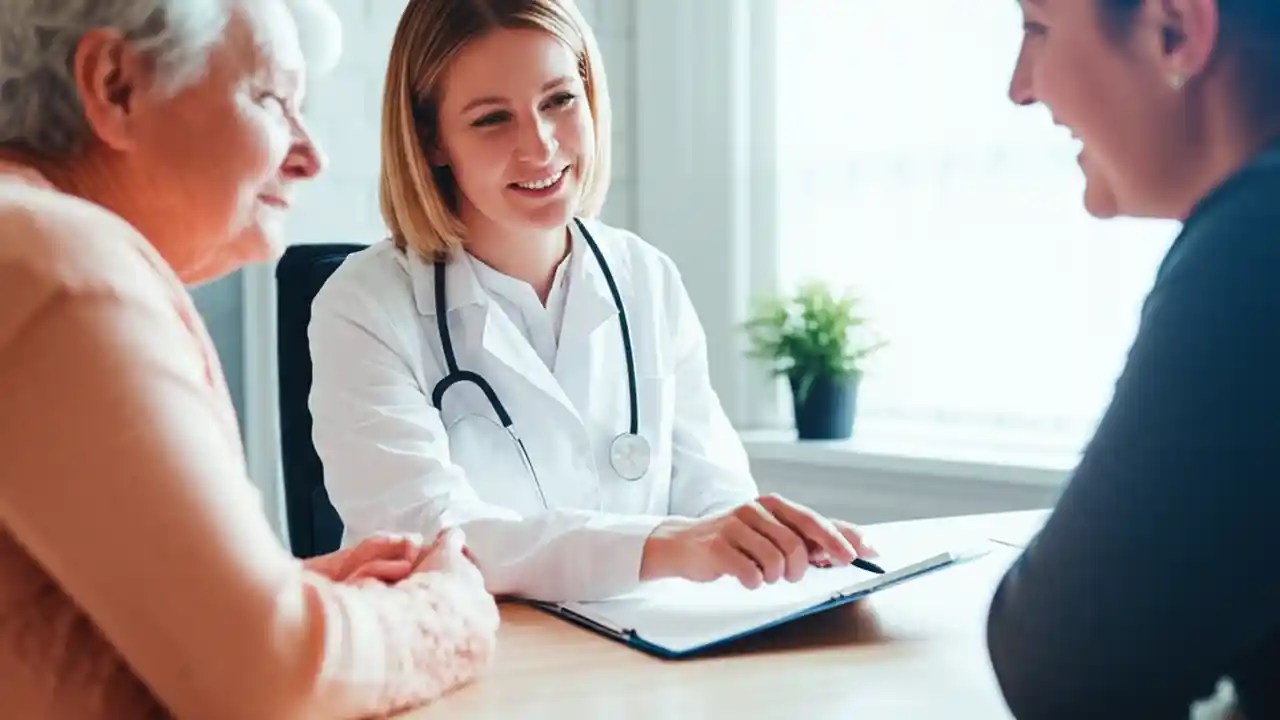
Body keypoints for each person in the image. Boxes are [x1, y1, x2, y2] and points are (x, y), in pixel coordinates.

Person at [0, 1, 498, 718]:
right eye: (272, 100)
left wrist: (284, 591)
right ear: (115, 86)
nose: (310, 155)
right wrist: (447, 611)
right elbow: (273, 675)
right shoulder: (67, 271)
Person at [308, 0, 876, 604]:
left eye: (559, 100)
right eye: (492, 119)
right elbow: (427, 538)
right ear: (432, 141)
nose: (541, 146)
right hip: (469, 663)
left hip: (646, 657)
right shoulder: (363, 305)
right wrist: (667, 547)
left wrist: (764, 540)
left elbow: (713, 490)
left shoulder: (645, 277)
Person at [988, 0, 1280, 717]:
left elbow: (1066, 669)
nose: (1021, 86)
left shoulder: (1257, 246)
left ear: (1175, 30)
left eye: (1038, 29)